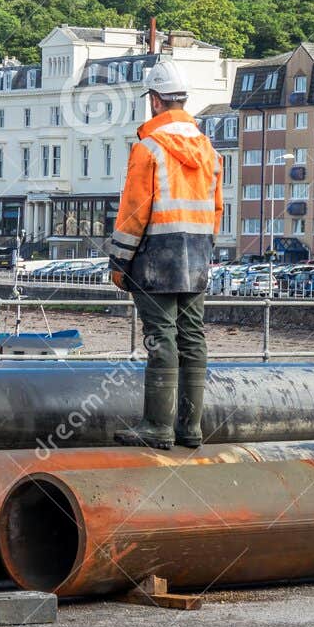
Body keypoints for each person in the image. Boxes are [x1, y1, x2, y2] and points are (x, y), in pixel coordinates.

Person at [106, 60, 223, 450]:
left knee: (161, 338)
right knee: (193, 337)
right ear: (182, 100)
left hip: (156, 255)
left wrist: (119, 261)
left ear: (155, 101)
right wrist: (204, 249)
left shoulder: (148, 147)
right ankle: (189, 429)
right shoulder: (207, 149)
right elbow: (217, 208)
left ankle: (157, 426)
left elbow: (135, 210)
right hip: (196, 254)